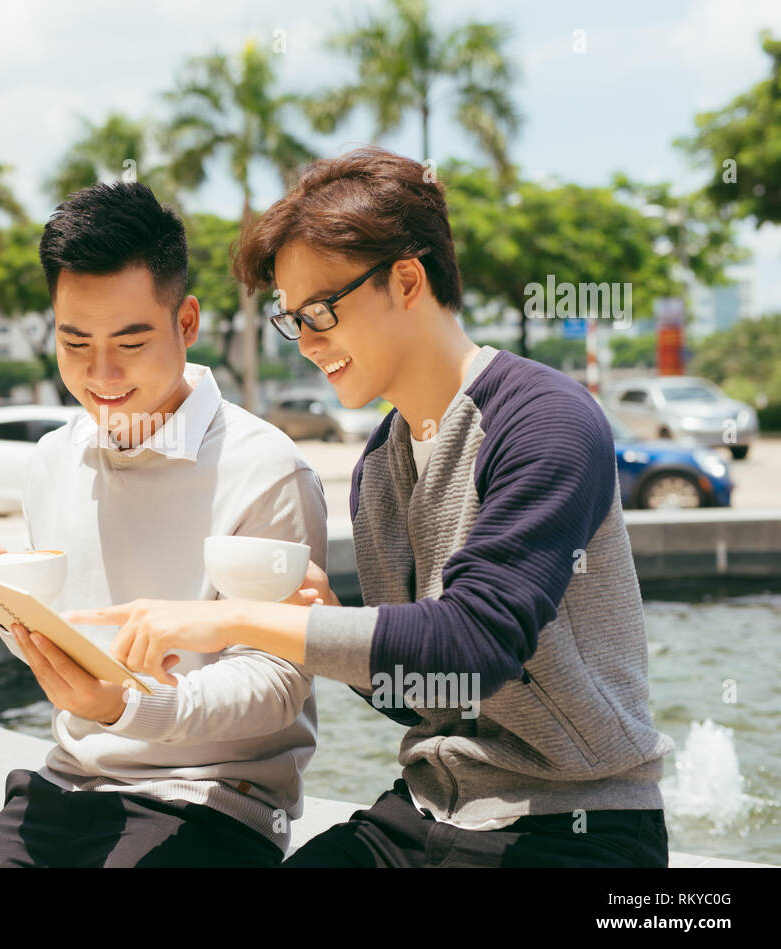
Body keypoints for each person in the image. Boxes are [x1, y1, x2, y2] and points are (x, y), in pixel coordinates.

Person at [68, 147, 676, 867]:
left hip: (578, 824)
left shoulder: (547, 420)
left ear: (407, 279)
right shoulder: (381, 467)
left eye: (322, 312)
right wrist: (332, 630)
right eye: (295, 321)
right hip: (426, 809)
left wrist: (237, 618)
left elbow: (477, 645)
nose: (310, 344)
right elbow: (427, 697)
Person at [0, 181, 328, 868]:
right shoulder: (52, 458)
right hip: (68, 782)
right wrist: (13, 618)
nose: (101, 375)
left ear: (186, 323)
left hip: (214, 802)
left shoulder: (264, 467)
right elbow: (75, 654)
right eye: (75, 343)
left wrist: (127, 706)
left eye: (129, 342)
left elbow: (277, 684)